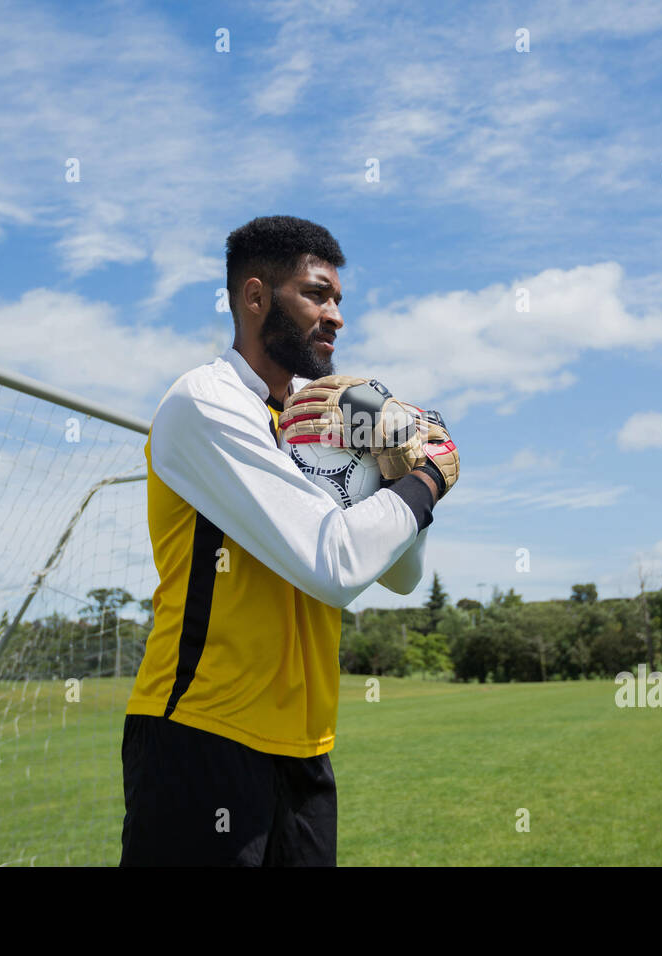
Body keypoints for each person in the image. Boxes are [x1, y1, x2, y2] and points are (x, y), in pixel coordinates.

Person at [120, 215, 459, 866]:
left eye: (339, 301)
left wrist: (393, 466)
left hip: (304, 747)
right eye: (315, 293)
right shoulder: (205, 402)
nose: (335, 316)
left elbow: (398, 575)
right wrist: (427, 479)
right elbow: (335, 563)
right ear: (254, 298)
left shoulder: (317, 419)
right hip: (202, 735)